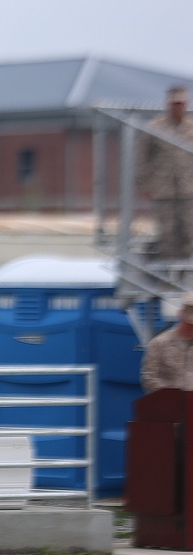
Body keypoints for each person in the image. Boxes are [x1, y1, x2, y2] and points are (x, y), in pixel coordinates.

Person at [138, 85, 193, 260]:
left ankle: (185, 275)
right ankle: (168, 274)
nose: (178, 107)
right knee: (167, 234)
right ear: (168, 104)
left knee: (189, 232)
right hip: (163, 189)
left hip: (188, 189)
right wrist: (145, 184)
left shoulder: (191, 128)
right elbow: (142, 158)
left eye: (181, 104)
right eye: (175, 103)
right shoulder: (155, 127)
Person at [141, 292, 193, 393]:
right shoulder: (160, 344)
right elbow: (149, 377)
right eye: (188, 325)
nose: (190, 329)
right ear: (180, 315)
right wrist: (170, 395)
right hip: (168, 405)